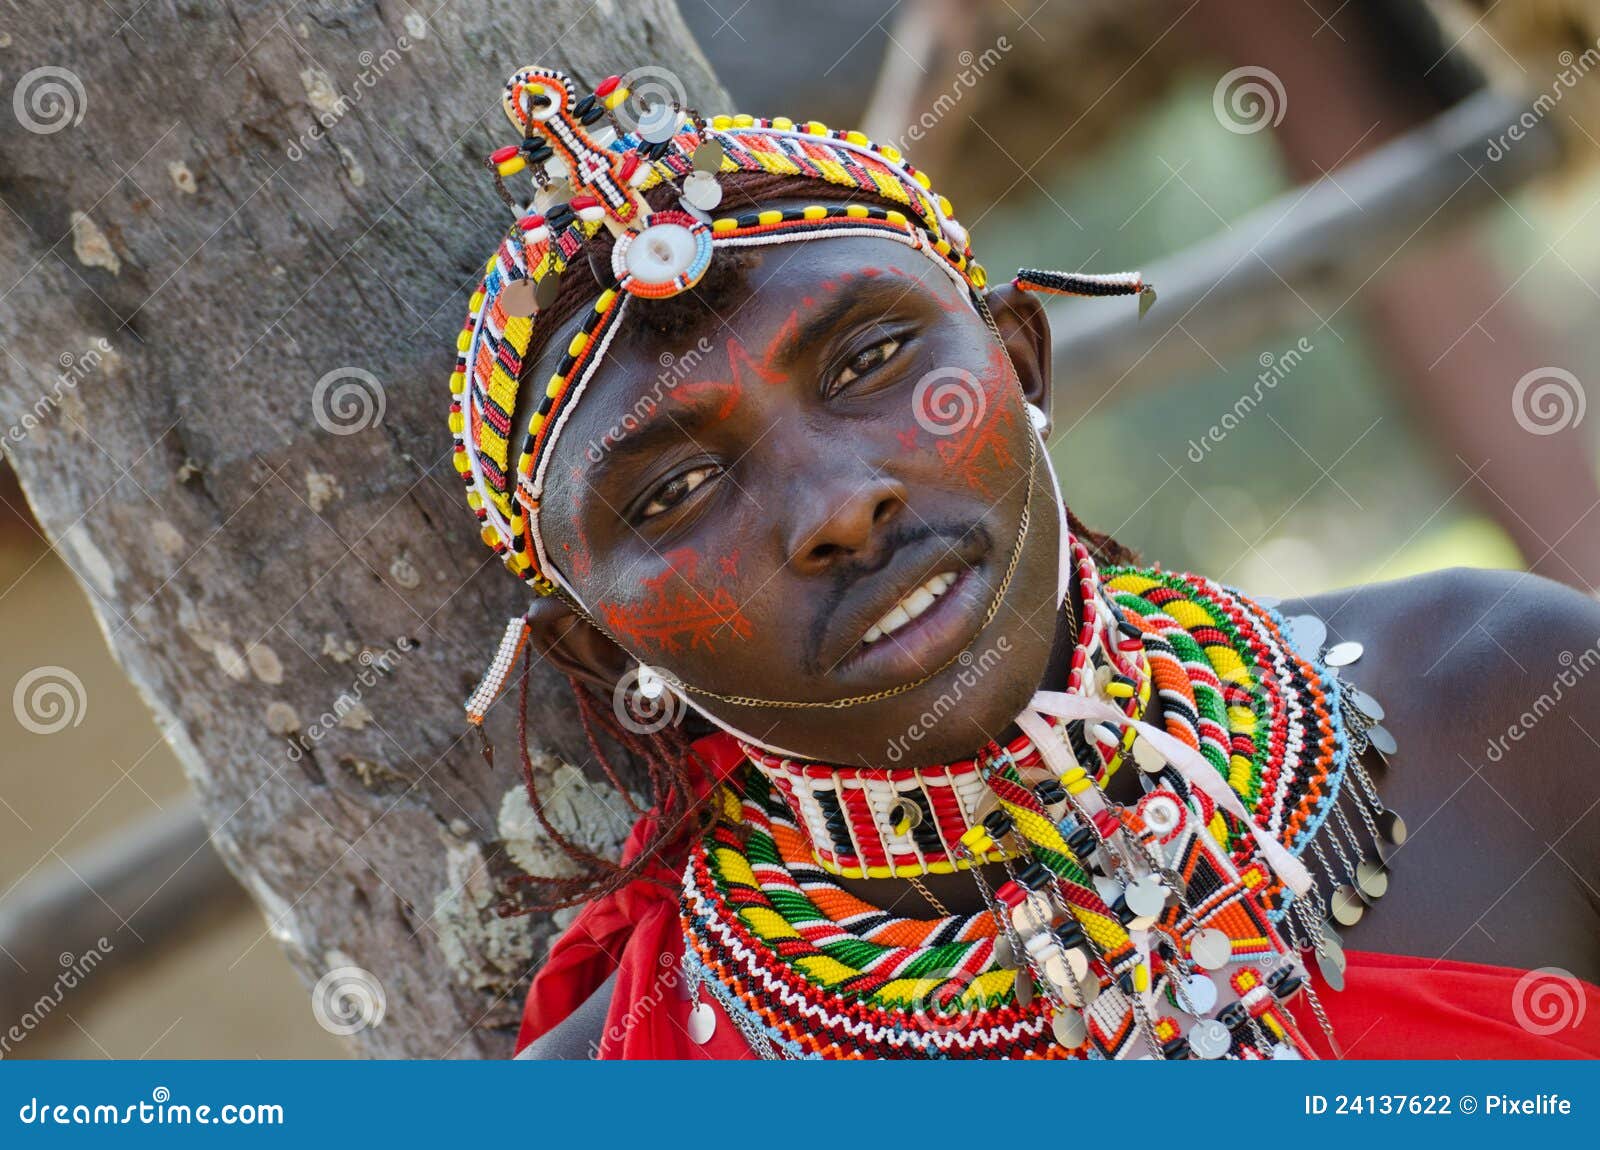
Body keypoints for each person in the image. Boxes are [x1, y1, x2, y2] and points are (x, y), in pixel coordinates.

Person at [447, 64, 1600, 1060]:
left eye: (871, 360)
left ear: (1019, 361)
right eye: (673, 491)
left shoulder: (1515, 699)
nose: (841, 508)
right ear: (602, 653)